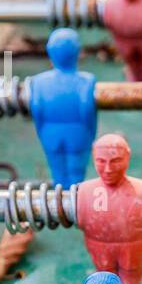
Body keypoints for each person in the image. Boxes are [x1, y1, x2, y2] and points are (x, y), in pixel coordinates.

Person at [77, 134, 142, 284]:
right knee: (104, 283)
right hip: (100, 247)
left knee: (131, 283)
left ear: (127, 158)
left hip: (133, 247)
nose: (108, 169)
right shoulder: (85, 190)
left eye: (116, 161)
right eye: (101, 162)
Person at [29, 27, 97, 185]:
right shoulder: (86, 81)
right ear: (78, 53)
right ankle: (73, 205)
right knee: (76, 173)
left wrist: (43, 132)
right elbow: (88, 114)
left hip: (50, 134)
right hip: (78, 134)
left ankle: (61, 204)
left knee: (57, 172)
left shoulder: (39, 82)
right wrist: (89, 135)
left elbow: (37, 111)